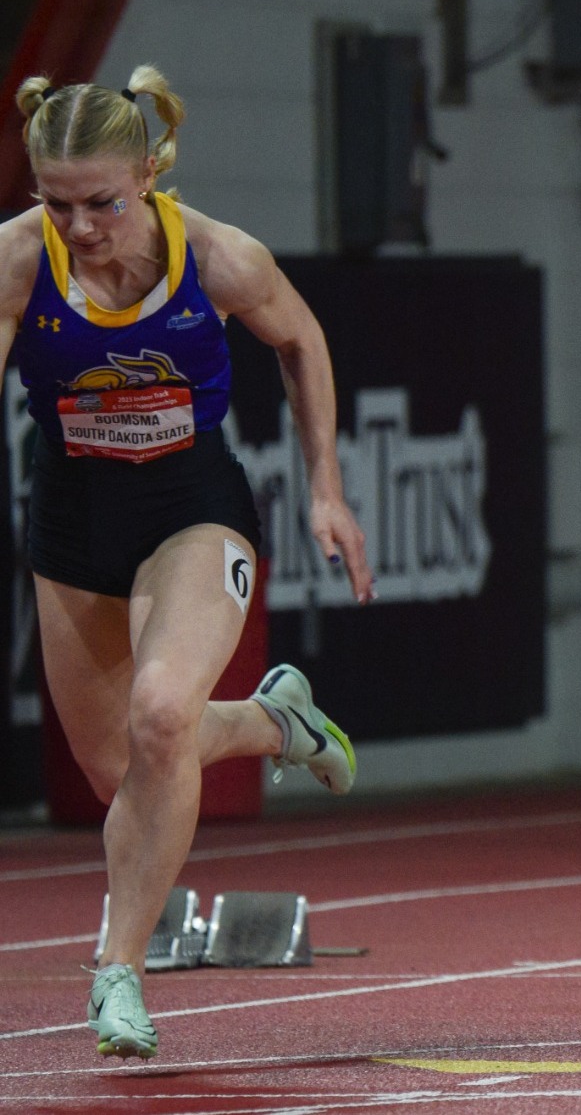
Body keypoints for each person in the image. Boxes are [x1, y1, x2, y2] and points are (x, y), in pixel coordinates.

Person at [2, 67, 374, 1057]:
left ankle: (115, 972)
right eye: (58, 204)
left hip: (191, 505)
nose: (81, 228)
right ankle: (272, 719)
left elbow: (301, 339)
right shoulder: (14, 265)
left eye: (104, 204)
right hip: (73, 513)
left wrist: (327, 489)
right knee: (121, 767)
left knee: (162, 714)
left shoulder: (216, 257)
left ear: (151, 174)